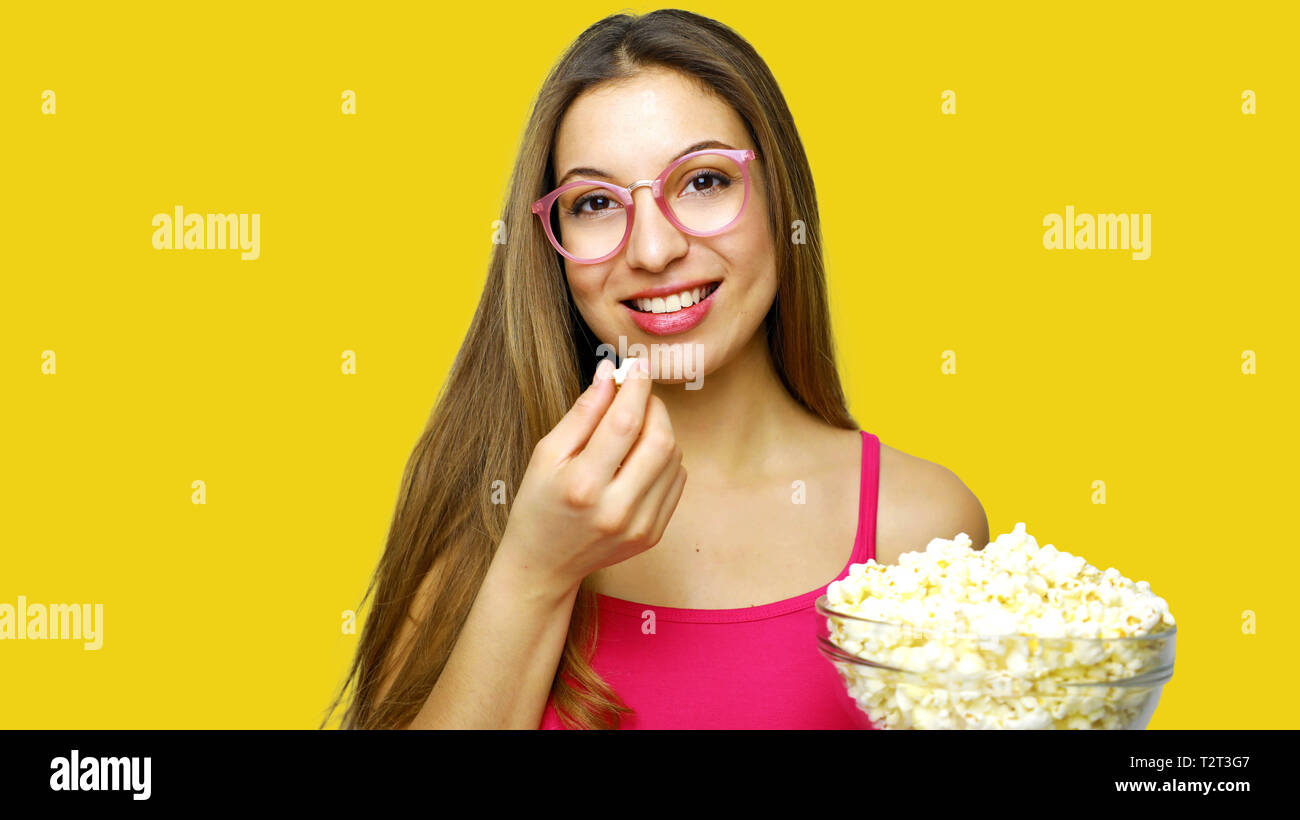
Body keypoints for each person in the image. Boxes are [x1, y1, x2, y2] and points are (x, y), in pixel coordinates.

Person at [326, 8, 988, 730]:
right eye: (596, 202)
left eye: (703, 182)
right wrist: (535, 569)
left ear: (780, 200)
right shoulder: (477, 507)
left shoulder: (921, 529)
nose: (651, 249)